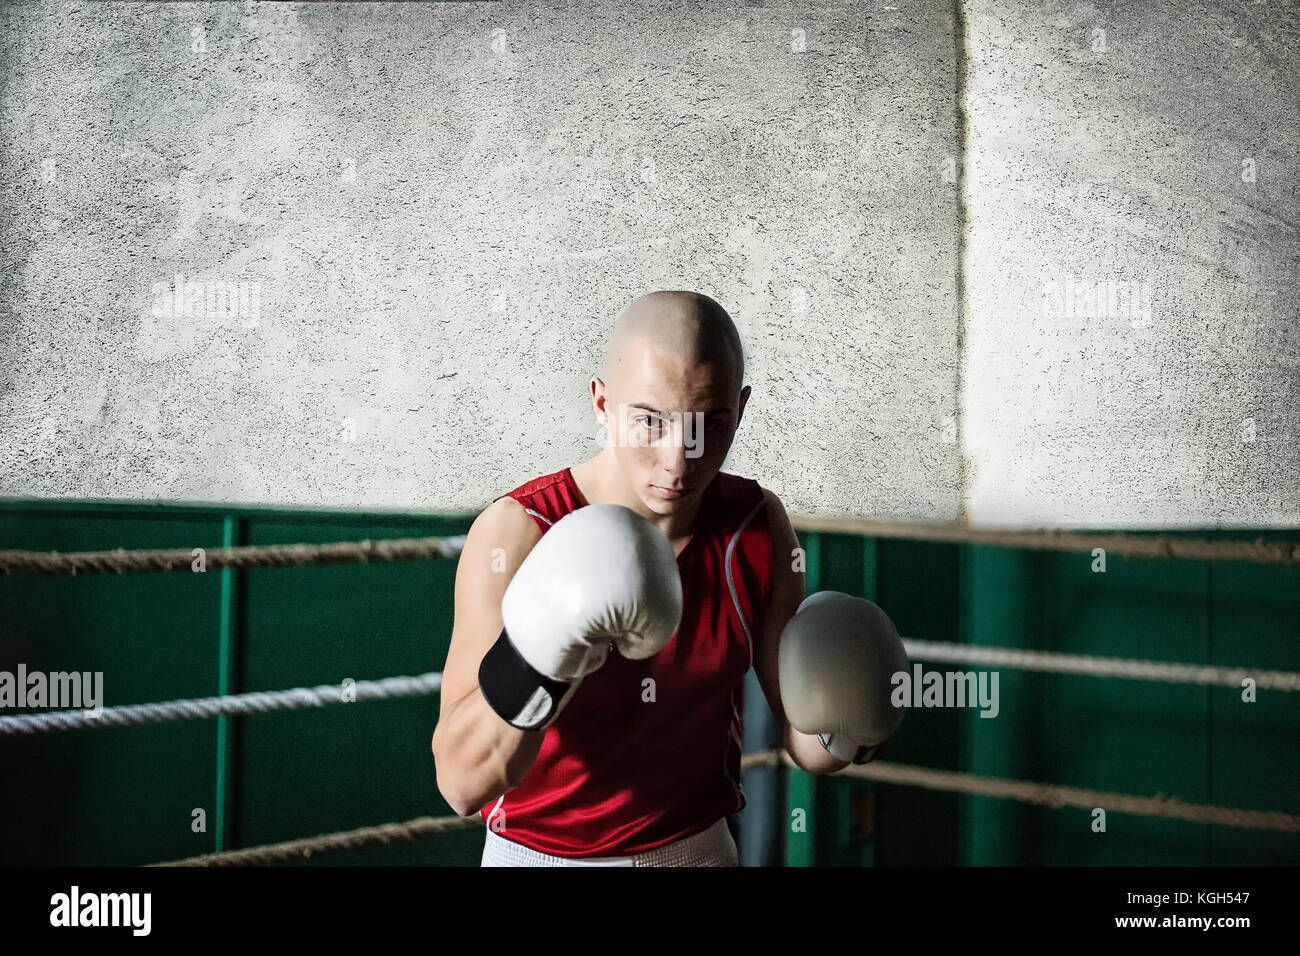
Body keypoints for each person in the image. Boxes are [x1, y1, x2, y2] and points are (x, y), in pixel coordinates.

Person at [431, 290, 907, 866]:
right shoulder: (520, 533)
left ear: (742, 407)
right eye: (650, 421)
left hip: (698, 852)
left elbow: (805, 740)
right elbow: (460, 783)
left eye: (709, 422)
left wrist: (850, 722)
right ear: (602, 404)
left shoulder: (754, 529)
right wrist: (542, 652)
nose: (678, 459)